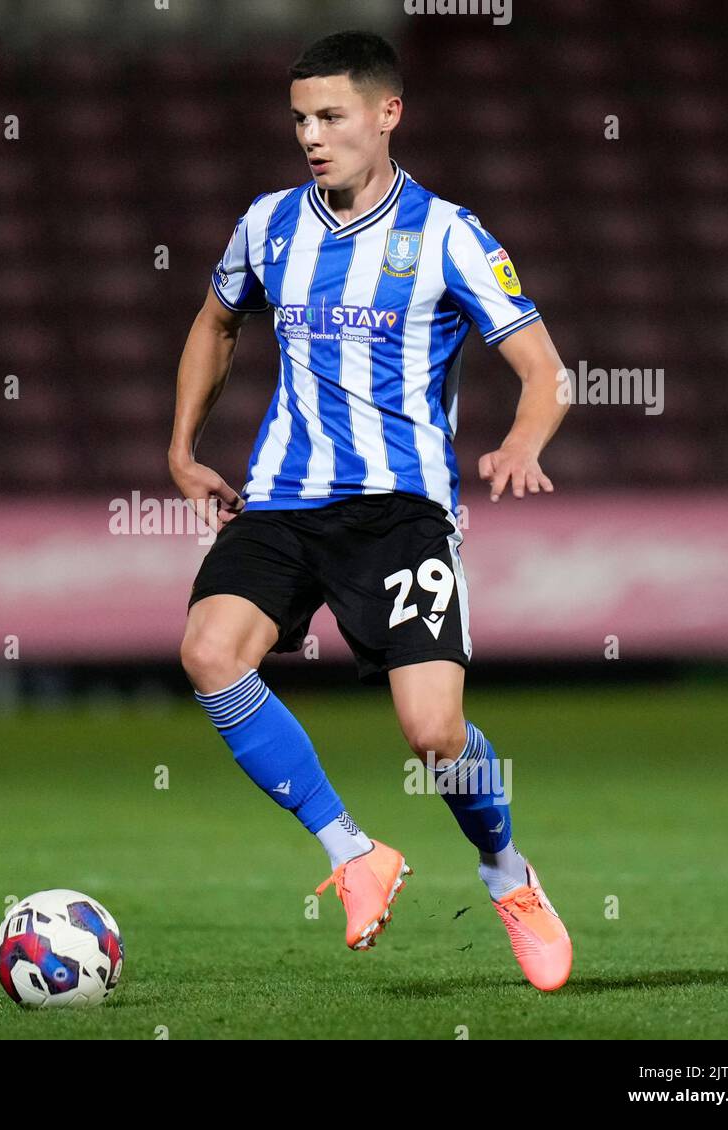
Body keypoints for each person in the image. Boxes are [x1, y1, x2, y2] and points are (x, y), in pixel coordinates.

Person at [168, 31, 572, 990]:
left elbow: (544, 370)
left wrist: (523, 443)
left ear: (387, 114)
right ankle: (352, 850)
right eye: (301, 119)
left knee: (434, 735)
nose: (312, 135)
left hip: (398, 513)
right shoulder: (268, 224)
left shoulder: (447, 234)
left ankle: (508, 874)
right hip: (283, 502)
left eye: (332, 117)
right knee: (209, 651)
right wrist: (182, 450)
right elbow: (217, 321)